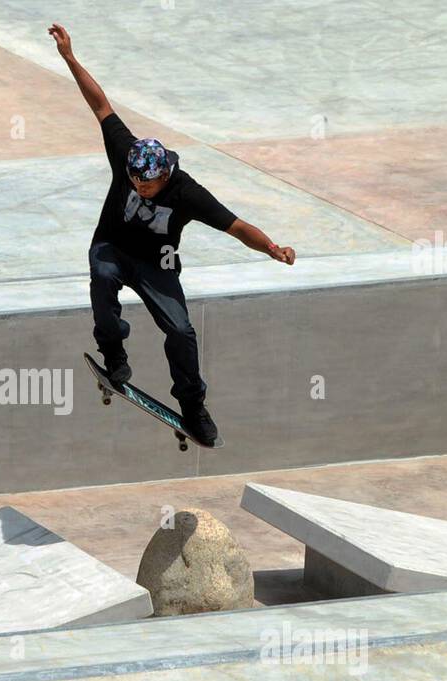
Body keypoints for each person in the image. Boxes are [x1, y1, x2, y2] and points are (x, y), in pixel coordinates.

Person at [48, 23, 295, 446]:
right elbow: (101, 106)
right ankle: (115, 355)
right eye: (135, 183)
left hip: (158, 264)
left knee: (181, 332)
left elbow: (235, 226)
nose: (140, 189)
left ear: (165, 175)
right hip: (111, 246)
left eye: (148, 186)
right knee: (102, 276)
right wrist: (70, 58)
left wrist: (271, 246)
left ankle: (193, 406)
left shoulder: (188, 193)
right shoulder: (127, 153)